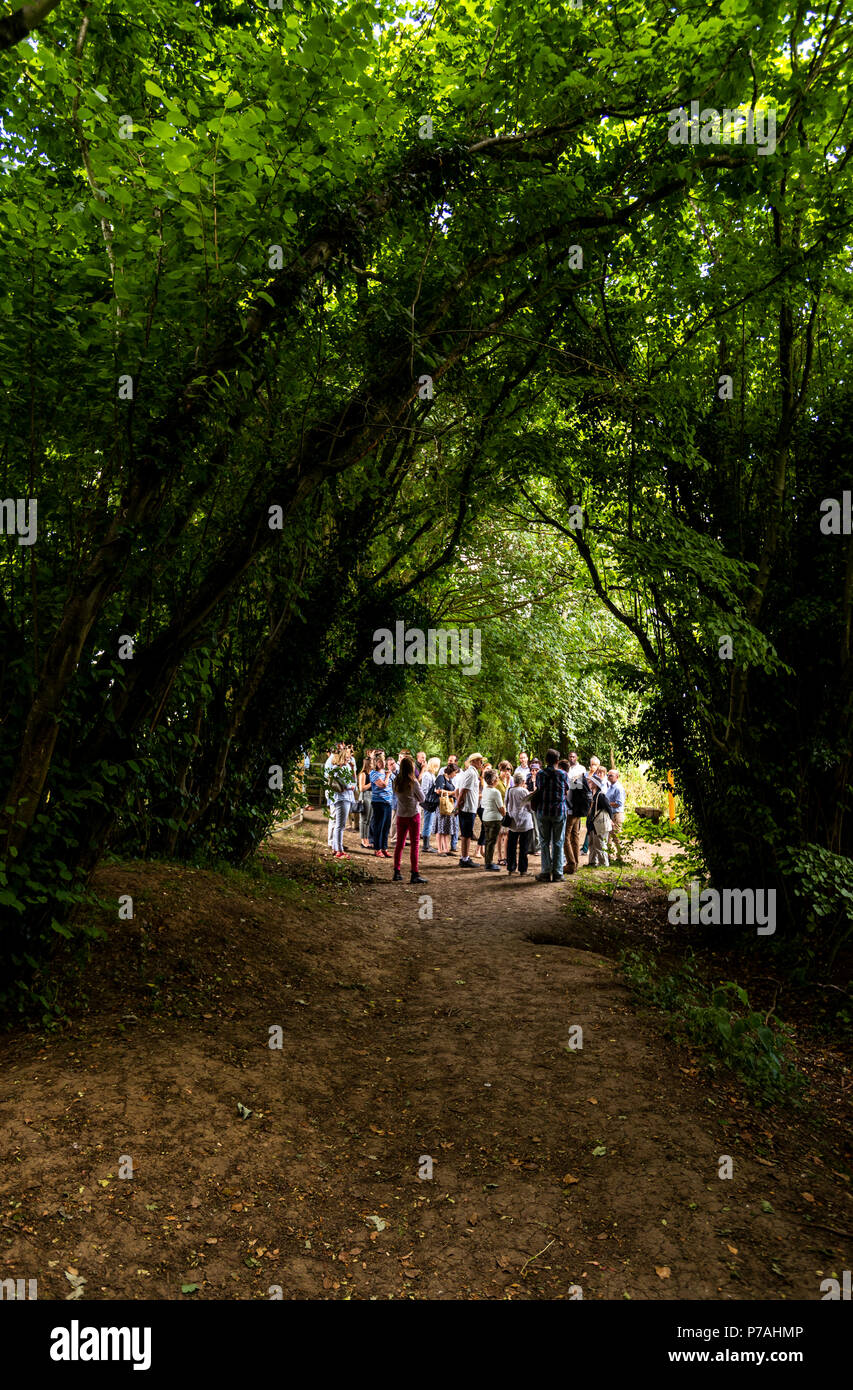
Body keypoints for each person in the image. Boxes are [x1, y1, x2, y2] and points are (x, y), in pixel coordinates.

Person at [534, 749, 569, 882]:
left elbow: (538, 789)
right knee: (558, 842)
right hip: (559, 811)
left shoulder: (540, 774)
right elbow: (566, 790)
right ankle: (558, 873)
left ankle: (545, 872)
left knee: (544, 842)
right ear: (557, 761)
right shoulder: (563, 774)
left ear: (546, 760)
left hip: (543, 811)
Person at [392, 755, 428, 884]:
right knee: (415, 844)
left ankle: (396, 871)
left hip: (401, 815)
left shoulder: (396, 781)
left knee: (399, 845)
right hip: (413, 815)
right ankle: (414, 873)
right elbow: (422, 798)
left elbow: (396, 794)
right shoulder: (413, 782)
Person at [455, 753, 484, 867]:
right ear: (474, 761)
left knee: (466, 834)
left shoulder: (468, 772)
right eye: (479, 761)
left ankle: (464, 857)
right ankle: (465, 858)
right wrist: (459, 804)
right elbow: (463, 791)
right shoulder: (471, 773)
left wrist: (459, 804)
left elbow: (458, 789)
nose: (481, 763)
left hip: (468, 807)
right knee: (466, 834)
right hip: (468, 808)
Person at [328, 747, 356, 859]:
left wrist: (353, 769)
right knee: (340, 825)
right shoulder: (337, 769)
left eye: (349, 758)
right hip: (341, 798)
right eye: (347, 757)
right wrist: (350, 786)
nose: (348, 759)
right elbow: (348, 784)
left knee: (339, 825)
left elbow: (353, 781)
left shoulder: (348, 767)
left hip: (347, 797)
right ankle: (339, 850)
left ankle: (336, 848)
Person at [505, 770, 534, 874]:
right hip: (525, 822)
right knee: (523, 847)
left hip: (513, 822)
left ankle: (511, 868)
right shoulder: (524, 791)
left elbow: (506, 804)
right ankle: (523, 869)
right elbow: (530, 807)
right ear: (522, 781)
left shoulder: (509, 790)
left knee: (511, 846)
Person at [565, 762, 592, 874]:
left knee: (565, 837)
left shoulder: (572, 781)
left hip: (572, 812)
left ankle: (571, 864)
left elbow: (569, 796)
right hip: (579, 812)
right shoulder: (580, 781)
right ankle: (575, 863)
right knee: (575, 836)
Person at [586, 773, 612, 868]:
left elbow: (609, 808)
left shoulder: (601, 795)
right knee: (592, 844)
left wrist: (611, 820)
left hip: (599, 823)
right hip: (592, 824)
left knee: (600, 844)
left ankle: (604, 863)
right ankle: (592, 862)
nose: (588, 783)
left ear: (595, 784)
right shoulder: (592, 795)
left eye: (590, 782)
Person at [481, 768, 505, 870]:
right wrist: (505, 815)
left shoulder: (485, 790)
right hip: (494, 819)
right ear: (494, 780)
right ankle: (489, 863)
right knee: (492, 841)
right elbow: (501, 807)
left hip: (486, 817)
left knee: (488, 840)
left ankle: (487, 861)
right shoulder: (495, 792)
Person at [369, 754, 393, 857]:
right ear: (375, 763)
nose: (382, 763)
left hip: (388, 802)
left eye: (383, 761)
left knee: (386, 826)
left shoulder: (384, 772)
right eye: (380, 762)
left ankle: (384, 848)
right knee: (379, 826)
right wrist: (388, 776)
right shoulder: (373, 773)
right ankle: (377, 848)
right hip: (379, 802)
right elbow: (383, 785)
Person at [434, 760, 458, 855]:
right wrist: (452, 793)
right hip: (441, 805)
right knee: (440, 827)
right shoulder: (441, 778)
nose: (455, 775)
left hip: (448, 806)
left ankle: (446, 849)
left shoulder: (449, 780)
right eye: (455, 773)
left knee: (446, 828)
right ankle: (440, 849)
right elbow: (438, 791)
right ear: (451, 772)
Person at [581, 755, 602, 855]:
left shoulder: (600, 776)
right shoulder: (585, 774)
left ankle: (586, 848)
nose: (593, 766)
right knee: (588, 825)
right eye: (592, 764)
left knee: (591, 825)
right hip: (585, 802)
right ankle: (586, 847)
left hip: (595, 803)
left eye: (595, 765)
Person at [420, 756, 441, 853]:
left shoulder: (431, 775)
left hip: (431, 802)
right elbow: (424, 790)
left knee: (429, 823)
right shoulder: (427, 775)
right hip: (428, 802)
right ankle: (425, 845)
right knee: (427, 823)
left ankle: (427, 844)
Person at [606, 768, 626, 860]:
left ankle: (620, 857)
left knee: (617, 836)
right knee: (609, 836)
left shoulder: (618, 788)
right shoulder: (610, 787)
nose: (608, 777)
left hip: (617, 814)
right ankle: (608, 856)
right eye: (608, 775)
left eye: (611, 775)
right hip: (610, 814)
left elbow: (619, 803)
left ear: (617, 777)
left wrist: (606, 804)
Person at [496, 760, 513, 864]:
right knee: (500, 834)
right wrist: (507, 784)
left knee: (507, 834)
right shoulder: (497, 782)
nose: (507, 772)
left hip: (508, 810)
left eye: (509, 770)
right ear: (500, 770)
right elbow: (506, 793)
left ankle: (506, 857)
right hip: (499, 810)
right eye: (505, 769)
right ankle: (500, 857)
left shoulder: (510, 780)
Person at [358, 755, 373, 848]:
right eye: (372, 763)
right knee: (363, 819)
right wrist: (372, 783)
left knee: (369, 819)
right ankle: (363, 839)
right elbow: (361, 788)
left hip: (372, 796)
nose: (373, 764)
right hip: (365, 796)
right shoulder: (363, 774)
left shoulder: (372, 773)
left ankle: (367, 838)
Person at [527, 758, 542, 854]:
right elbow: (527, 792)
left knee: (537, 827)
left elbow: (537, 791)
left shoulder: (540, 779)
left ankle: (538, 848)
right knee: (531, 827)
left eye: (536, 770)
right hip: (530, 805)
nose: (534, 772)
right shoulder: (528, 779)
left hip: (538, 805)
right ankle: (530, 847)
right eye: (532, 770)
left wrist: (534, 782)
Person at [387, 756, 398, 844]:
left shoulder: (399, 772)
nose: (393, 765)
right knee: (394, 820)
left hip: (400, 799)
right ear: (388, 766)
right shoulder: (389, 775)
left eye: (393, 763)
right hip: (394, 799)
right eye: (390, 764)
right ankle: (394, 838)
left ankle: (399, 837)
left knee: (399, 819)